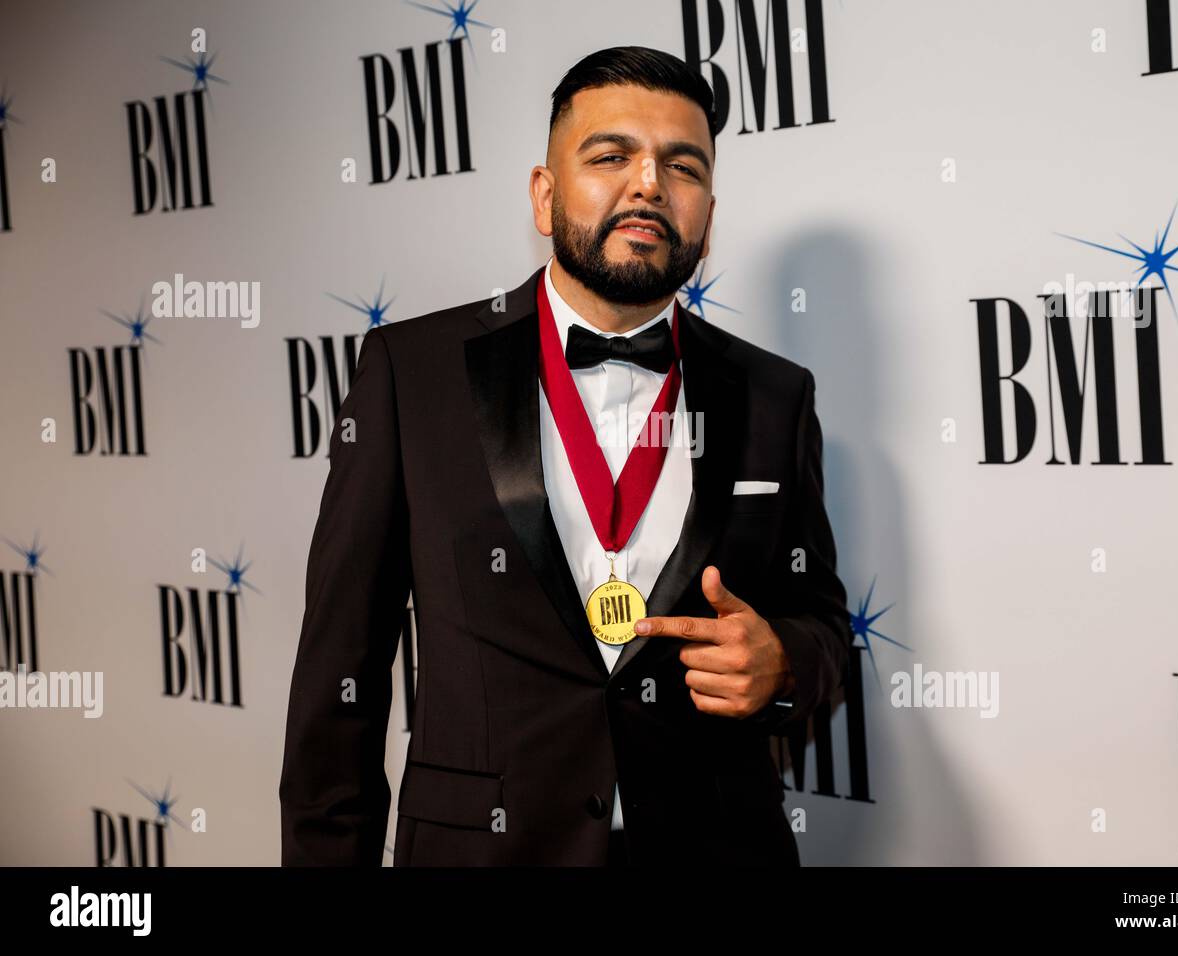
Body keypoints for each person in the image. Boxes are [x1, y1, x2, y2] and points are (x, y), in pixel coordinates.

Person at [278, 45, 853, 867]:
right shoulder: (412, 373)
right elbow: (341, 673)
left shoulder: (775, 393)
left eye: (681, 166)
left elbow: (823, 620)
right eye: (612, 156)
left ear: (708, 216)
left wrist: (786, 664)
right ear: (545, 198)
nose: (649, 184)